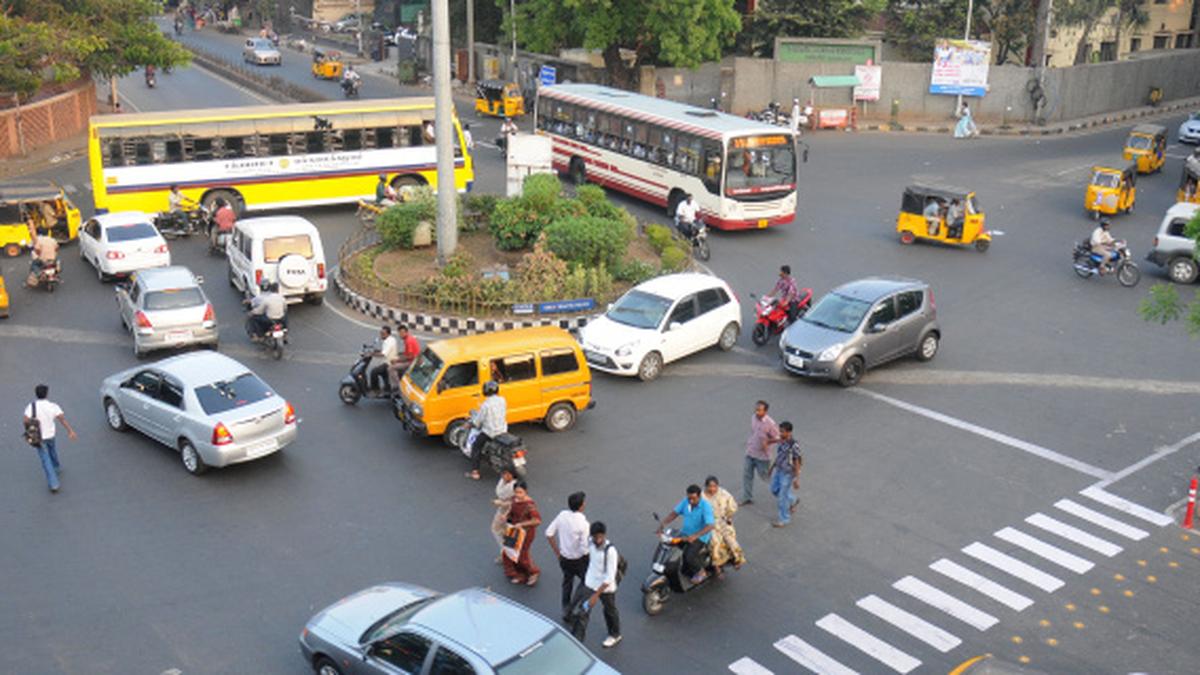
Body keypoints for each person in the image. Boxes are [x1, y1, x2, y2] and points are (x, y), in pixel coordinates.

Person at [568, 521, 622, 649]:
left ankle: (615, 634)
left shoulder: (611, 551)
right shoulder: (590, 543)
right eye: (595, 537)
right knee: (583, 611)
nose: (598, 540)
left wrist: (595, 596)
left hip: (606, 587)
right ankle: (577, 641)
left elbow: (610, 577)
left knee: (609, 610)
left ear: (604, 535)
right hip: (590, 582)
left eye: (600, 537)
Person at [22, 384, 77, 493]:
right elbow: (62, 419)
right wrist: (70, 431)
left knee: (45, 458)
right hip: (50, 435)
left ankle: (54, 483)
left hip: (39, 437)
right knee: (52, 449)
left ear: (36, 394)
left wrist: (31, 428)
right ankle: (56, 466)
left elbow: (25, 420)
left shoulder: (31, 406)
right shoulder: (53, 406)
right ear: (47, 394)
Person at [545, 491, 590, 620]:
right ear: (581, 506)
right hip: (579, 560)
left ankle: (565, 606)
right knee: (586, 582)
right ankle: (573, 607)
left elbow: (549, 533)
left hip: (564, 558)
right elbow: (585, 548)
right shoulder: (584, 525)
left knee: (567, 582)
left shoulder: (562, 515)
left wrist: (557, 552)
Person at [658, 484, 716, 584]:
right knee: (669, 544)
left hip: (700, 537)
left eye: (693, 499)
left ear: (699, 496)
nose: (691, 501)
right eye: (689, 498)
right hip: (685, 534)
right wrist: (663, 524)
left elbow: (710, 525)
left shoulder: (706, 507)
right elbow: (674, 513)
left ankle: (701, 572)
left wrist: (695, 536)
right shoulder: (686, 502)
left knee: (688, 557)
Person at [465, 381, 507, 480]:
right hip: (503, 429)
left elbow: (478, 420)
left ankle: (475, 472)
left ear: (485, 391)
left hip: (490, 432)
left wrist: (472, 424)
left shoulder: (485, 405)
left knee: (476, 446)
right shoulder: (502, 400)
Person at [502, 481, 541, 585]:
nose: (518, 495)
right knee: (508, 551)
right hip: (513, 529)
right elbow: (511, 508)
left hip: (525, 533)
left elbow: (537, 520)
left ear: (525, 492)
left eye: (520, 492)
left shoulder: (530, 505)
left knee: (521, 555)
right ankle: (516, 573)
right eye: (516, 492)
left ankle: (533, 572)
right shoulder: (515, 499)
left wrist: (522, 524)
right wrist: (505, 515)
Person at [703, 476, 744, 573]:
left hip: (722, 520)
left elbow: (732, 507)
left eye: (714, 486)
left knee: (730, 539)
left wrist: (728, 517)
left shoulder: (724, 494)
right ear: (706, 487)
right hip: (709, 523)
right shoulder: (702, 496)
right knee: (715, 542)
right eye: (710, 486)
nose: (712, 489)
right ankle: (717, 564)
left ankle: (737, 559)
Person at [742, 400, 778, 505]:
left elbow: (778, 437)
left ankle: (787, 498)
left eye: (759, 410)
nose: (757, 412)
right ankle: (747, 497)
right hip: (751, 451)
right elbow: (754, 432)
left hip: (762, 456)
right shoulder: (753, 418)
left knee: (765, 477)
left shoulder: (770, 424)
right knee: (747, 475)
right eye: (756, 409)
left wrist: (767, 442)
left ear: (765, 411)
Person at [769, 421, 803, 528]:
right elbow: (779, 456)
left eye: (782, 431)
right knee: (774, 490)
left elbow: (797, 461)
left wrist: (797, 479)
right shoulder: (782, 441)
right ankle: (792, 500)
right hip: (779, 470)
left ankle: (784, 519)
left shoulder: (794, 445)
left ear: (789, 432)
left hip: (787, 474)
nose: (780, 433)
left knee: (782, 497)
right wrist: (772, 468)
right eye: (780, 431)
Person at [491, 468, 517, 563]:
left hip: (509, 512)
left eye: (506, 474)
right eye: (503, 474)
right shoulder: (503, 481)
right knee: (503, 531)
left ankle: (507, 553)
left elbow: (514, 502)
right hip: (503, 510)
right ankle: (507, 552)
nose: (504, 476)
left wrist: (501, 503)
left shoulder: (513, 486)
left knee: (498, 530)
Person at [387, 324, 419, 392]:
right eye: (400, 333)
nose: (401, 335)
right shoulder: (408, 338)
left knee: (391, 368)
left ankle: (396, 387)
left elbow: (410, 356)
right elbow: (406, 353)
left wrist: (398, 360)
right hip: (412, 359)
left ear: (406, 332)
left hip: (412, 362)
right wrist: (399, 355)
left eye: (402, 333)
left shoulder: (408, 341)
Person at [370, 325, 399, 392]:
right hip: (388, 361)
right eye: (381, 333)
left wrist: (372, 354)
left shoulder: (388, 342)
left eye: (383, 334)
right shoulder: (391, 339)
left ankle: (375, 389)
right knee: (383, 373)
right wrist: (376, 351)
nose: (381, 335)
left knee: (374, 372)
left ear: (388, 334)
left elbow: (383, 354)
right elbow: (385, 350)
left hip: (389, 363)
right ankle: (387, 387)